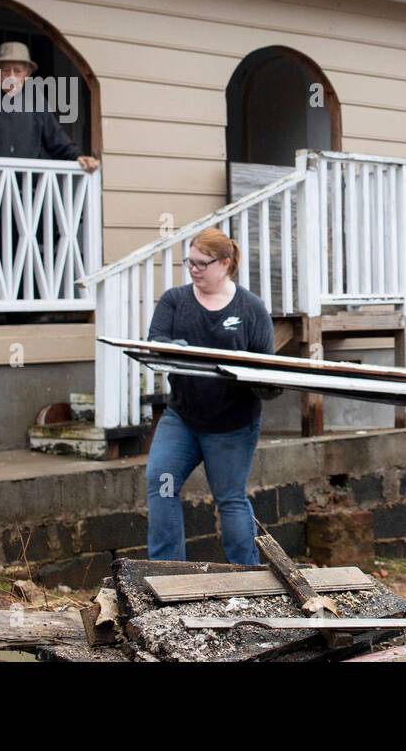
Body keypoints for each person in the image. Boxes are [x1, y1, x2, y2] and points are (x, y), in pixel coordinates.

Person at [145, 227, 281, 564]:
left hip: (232, 426)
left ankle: (247, 576)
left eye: (202, 264)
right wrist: (171, 349)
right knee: (161, 483)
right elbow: (155, 342)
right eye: (189, 262)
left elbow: (267, 372)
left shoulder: (251, 309)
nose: (194, 269)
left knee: (230, 498)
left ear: (225, 263)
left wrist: (262, 381)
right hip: (183, 418)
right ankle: (167, 571)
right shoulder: (175, 301)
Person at [0, 41, 99, 172]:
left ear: (27, 74)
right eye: (6, 70)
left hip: (32, 182)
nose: (11, 76)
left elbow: (56, 138)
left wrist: (77, 156)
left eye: (17, 71)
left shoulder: (36, 100)